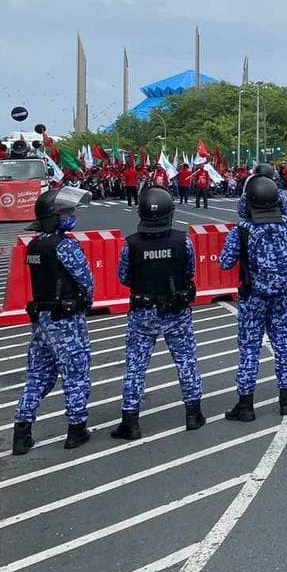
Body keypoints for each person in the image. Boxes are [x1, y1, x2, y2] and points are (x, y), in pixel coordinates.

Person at [109, 188, 204, 440]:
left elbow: (123, 277)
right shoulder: (183, 240)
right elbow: (190, 270)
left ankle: (130, 422)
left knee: (136, 367)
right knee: (185, 361)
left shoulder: (131, 244)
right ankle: (193, 413)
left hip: (143, 312)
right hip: (176, 310)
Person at [219, 175, 287, 422]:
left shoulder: (242, 230)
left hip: (253, 297)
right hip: (283, 295)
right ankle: (286, 399)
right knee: (283, 344)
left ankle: (246, 405)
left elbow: (225, 263)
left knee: (250, 349)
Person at [12, 187, 94, 454]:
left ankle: (21, 431)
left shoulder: (34, 245)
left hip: (41, 320)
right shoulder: (65, 245)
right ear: (53, 217)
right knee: (76, 374)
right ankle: (76, 429)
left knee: (38, 377)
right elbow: (85, 280)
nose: (71, 216)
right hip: (66, 320)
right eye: (66, 212)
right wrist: (85, 302)